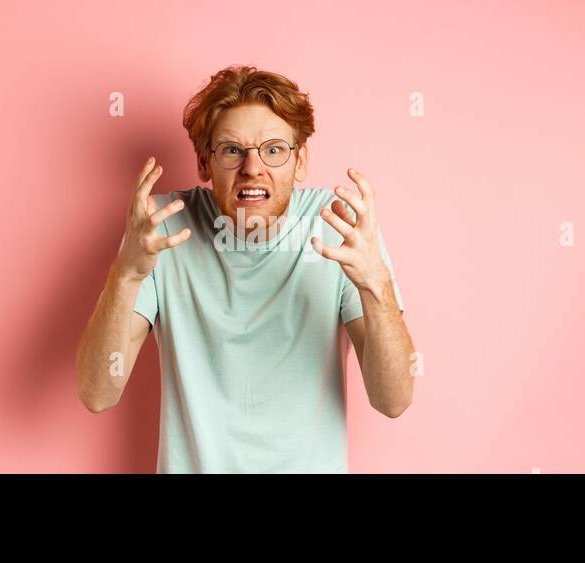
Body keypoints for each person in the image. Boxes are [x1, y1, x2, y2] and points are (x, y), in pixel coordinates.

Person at [75, 65, 417, 473]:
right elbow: (98, 393)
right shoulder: (160, 228)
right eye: (232, 150)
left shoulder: (338, 226)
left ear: (300, 161)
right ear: (205, 163)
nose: (253, 168)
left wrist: (376, 285)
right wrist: (125, 275)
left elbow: (393, 399)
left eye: (273, 149)